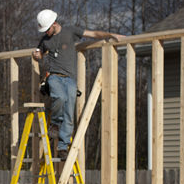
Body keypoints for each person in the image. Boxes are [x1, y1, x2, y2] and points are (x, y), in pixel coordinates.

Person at [33, 10, 121, 155]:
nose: (46, 32)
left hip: (70, 79)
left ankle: (62, 146)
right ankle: (55, 123)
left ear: (54, 24)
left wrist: (111, 35)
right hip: (54, 76)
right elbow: (39, 55)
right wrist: (36, 55)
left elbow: (93, 34)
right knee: (60, 98)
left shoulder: (70, 31)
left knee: (69, 112)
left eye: (47, 29)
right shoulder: (45, 40)